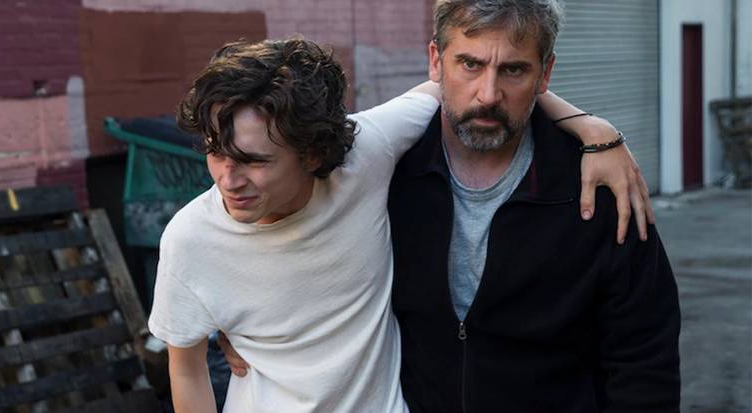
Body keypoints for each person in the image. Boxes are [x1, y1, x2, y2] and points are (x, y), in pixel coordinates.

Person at [149, 37, 654, 412]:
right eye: (216, 152)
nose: (227, 179)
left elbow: (465, 87)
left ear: (313, 153)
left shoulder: (367, 153)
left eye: (254, 160)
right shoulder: (190, 239)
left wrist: (593, 128)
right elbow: (186, 370)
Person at [386, 0, 681, 411]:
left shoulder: (599, 185)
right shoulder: (389, 172)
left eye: (514, 70)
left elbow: (644, 359)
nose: (488, 95)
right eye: (470, 64)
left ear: (545, 73)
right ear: (436, 61)